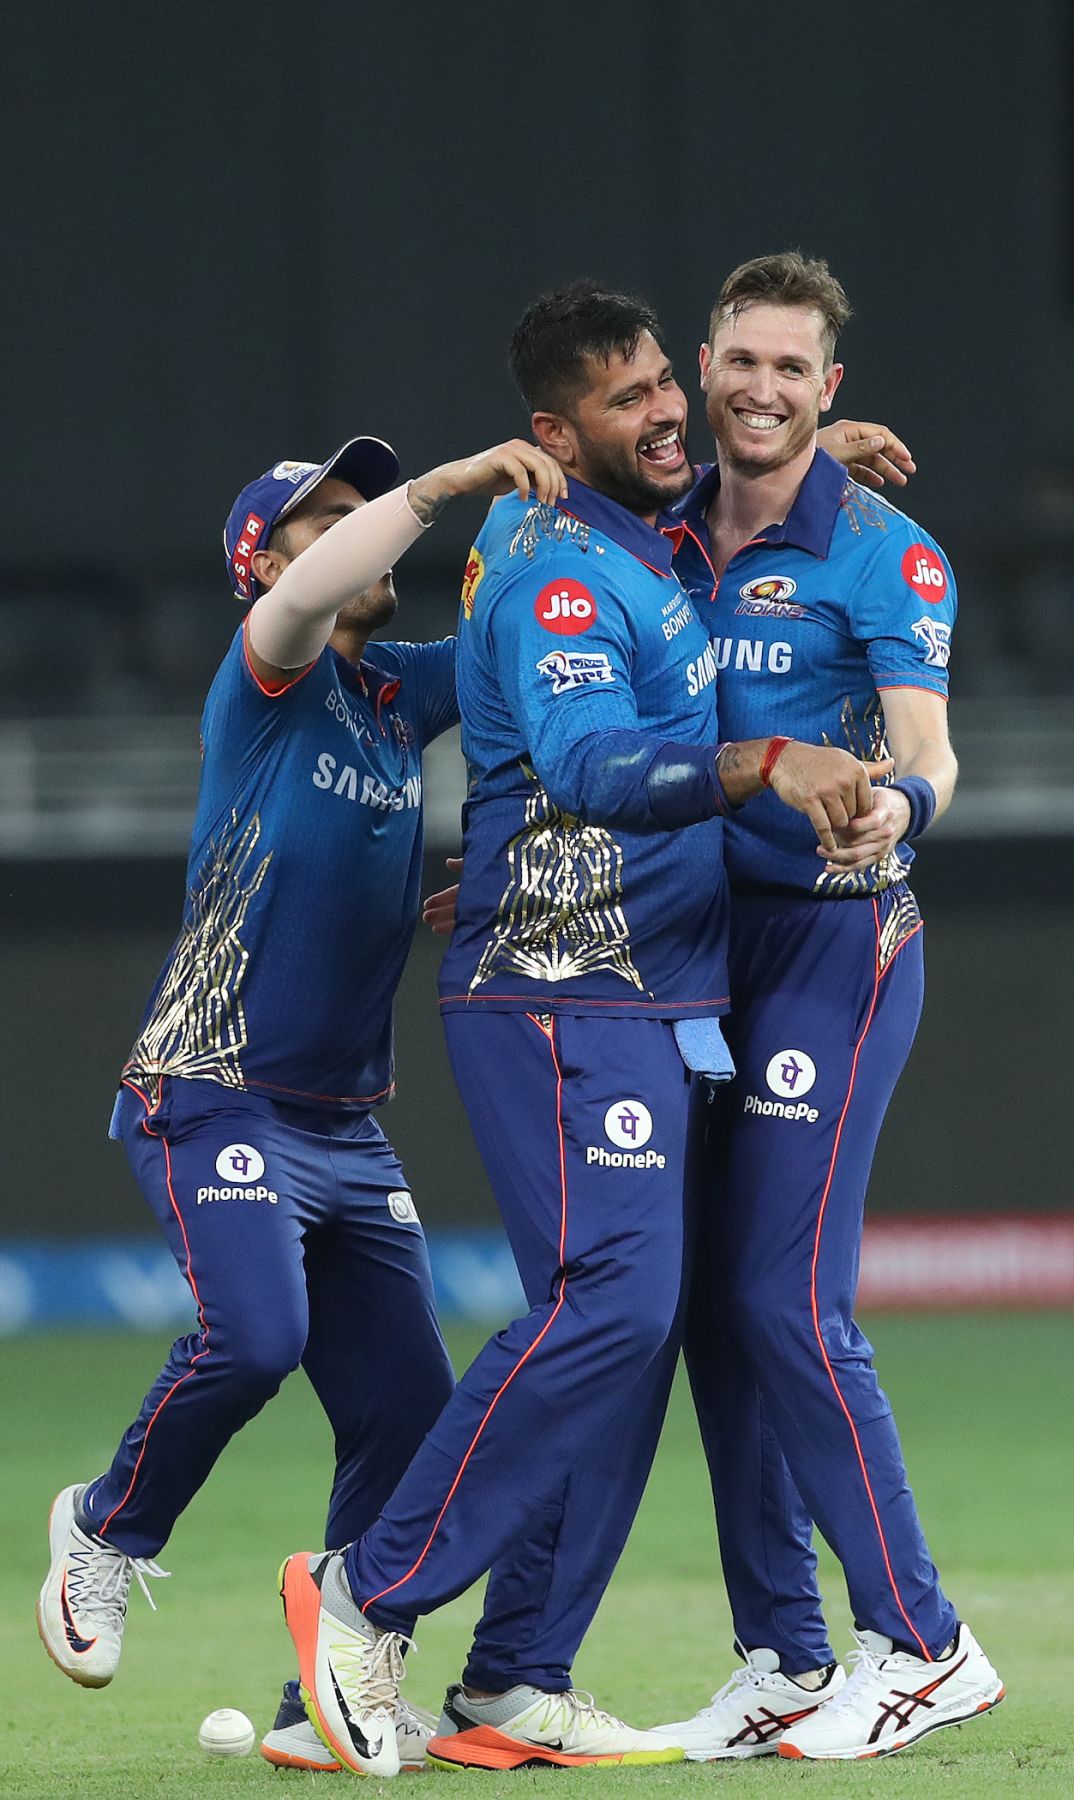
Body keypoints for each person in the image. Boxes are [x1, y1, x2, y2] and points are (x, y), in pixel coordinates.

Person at [278, 282, 893, 1777]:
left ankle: (518, 1674)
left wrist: (808, 455)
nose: (668, 412)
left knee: (634, 1327)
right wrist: (764, 759)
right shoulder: (557, 567)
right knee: (611, 1302)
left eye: (660, 387)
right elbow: (592, 761)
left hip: (651, 992)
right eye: (630, 402)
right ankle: (362, 1599)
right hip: (562, 992)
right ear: (554, 437)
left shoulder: (647, 540)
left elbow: (725, 510)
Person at [35, 432, 567, 1774]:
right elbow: (309, 592)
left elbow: (515, 635)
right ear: (263, 562)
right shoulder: (264, 673)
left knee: (405, 1416)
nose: (361, 530)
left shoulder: (397, 694)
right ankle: (103, 1529)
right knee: (256, 1338)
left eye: (364, 506)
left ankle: (321, 1704)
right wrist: (440, 489)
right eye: (326, 518)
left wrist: (727, 499)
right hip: (209, 1087)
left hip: (340, 1121)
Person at [646, 252, 1004, 1762]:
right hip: (689, 956)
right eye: (743, 362)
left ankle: (924, 1644)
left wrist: (897, 815)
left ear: (831, 388)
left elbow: (932, 753)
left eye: (796, 371)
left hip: (832, 950)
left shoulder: (888, 553)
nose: (765, 389)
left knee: (786, 1299)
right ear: (703, 366)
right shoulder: (649, 533)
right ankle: (787, 1656)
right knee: (715, 1322)